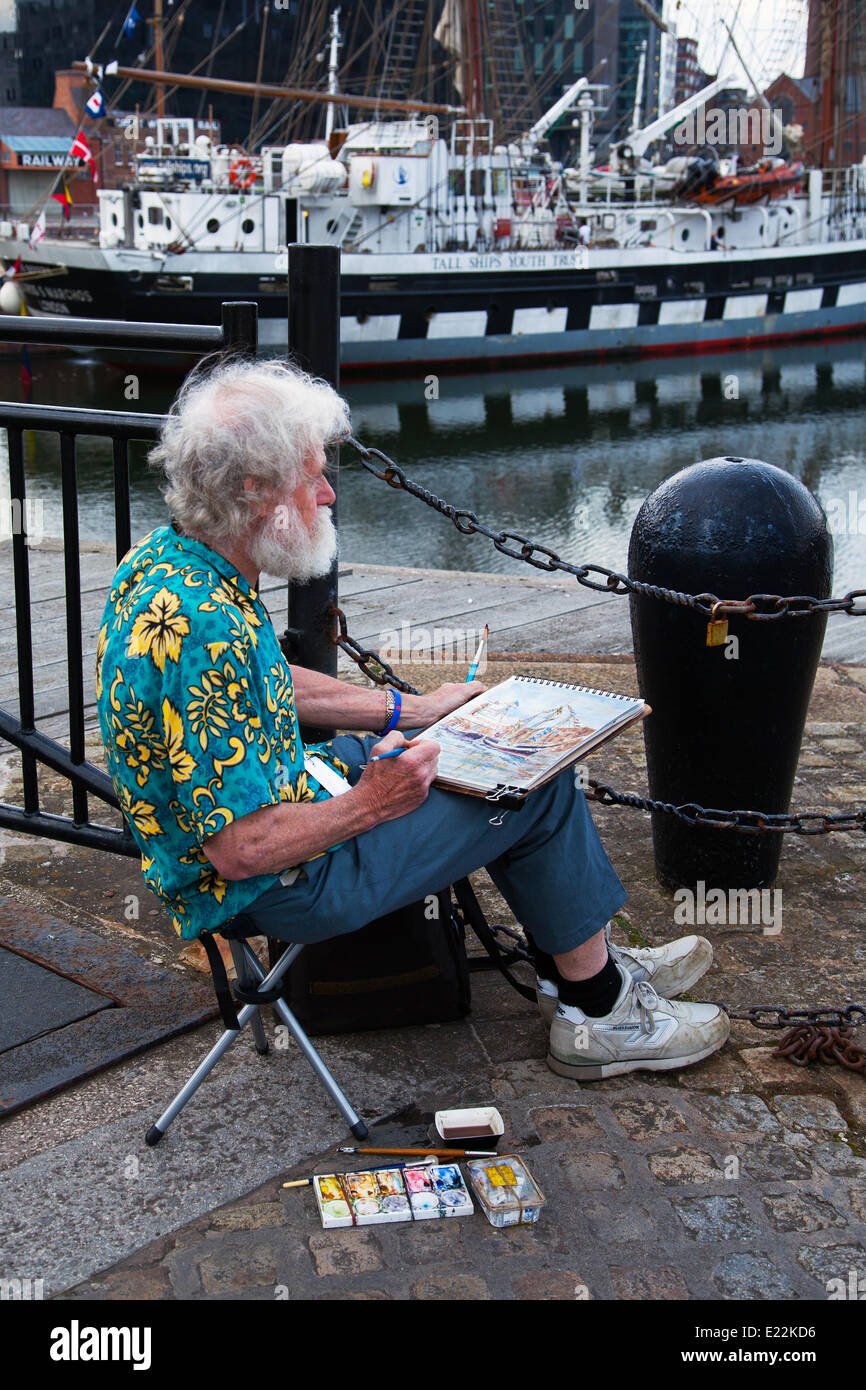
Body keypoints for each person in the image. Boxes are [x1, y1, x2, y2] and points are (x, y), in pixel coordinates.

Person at [95, 358, 729, 1081]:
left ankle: (585, 961)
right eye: (312, 476)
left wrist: (411, 709)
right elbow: (240, 850)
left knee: (509, 750)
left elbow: (262, 682)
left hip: (293, 798)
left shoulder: (167, 562)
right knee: (533, 782)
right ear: (254, 489)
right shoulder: (203, 622)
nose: (329, 492)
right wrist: (373, 805)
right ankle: (600, 1008)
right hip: (278, 882)